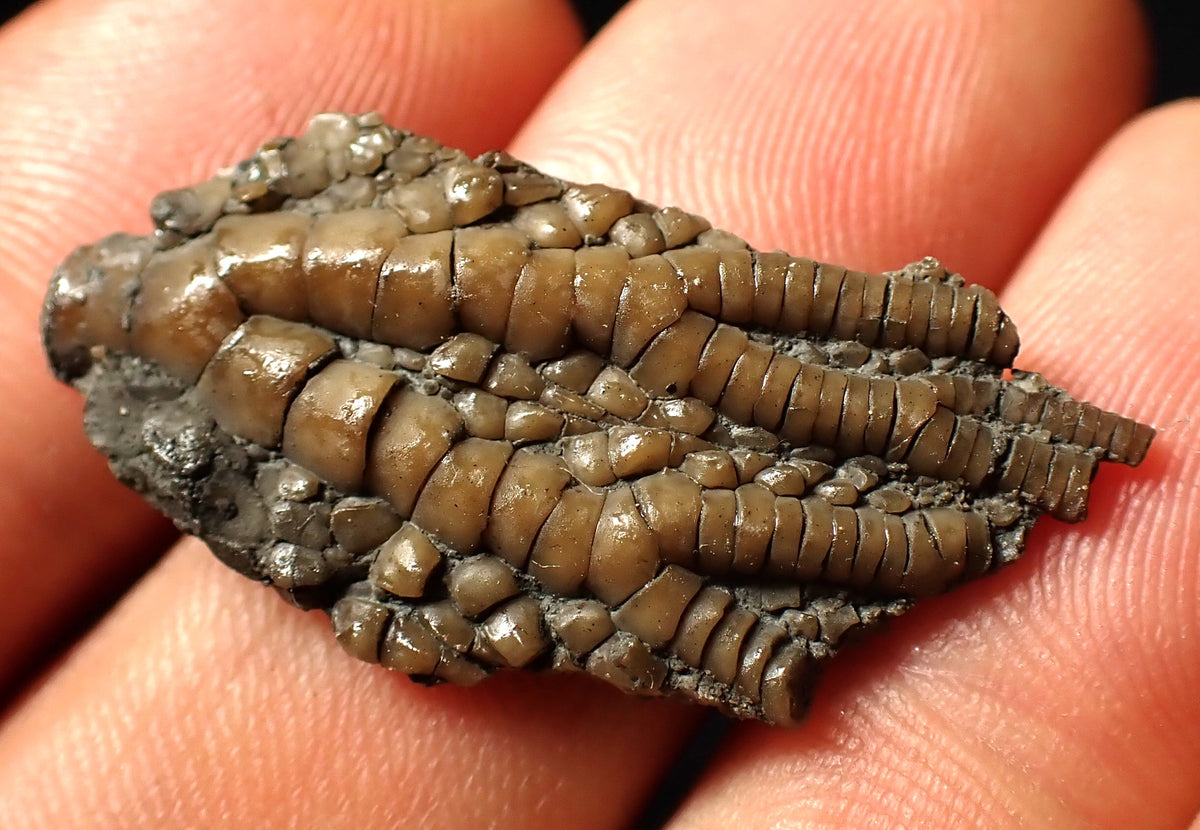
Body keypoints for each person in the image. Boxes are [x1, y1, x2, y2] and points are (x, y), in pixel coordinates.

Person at [0, 0, 1191, 826]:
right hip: (608, 465)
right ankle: (970, 454)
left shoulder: (258, 283)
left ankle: (972, 448)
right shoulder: (238, 337)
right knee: (770, 392)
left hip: (612, 449)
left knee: (760, 376)